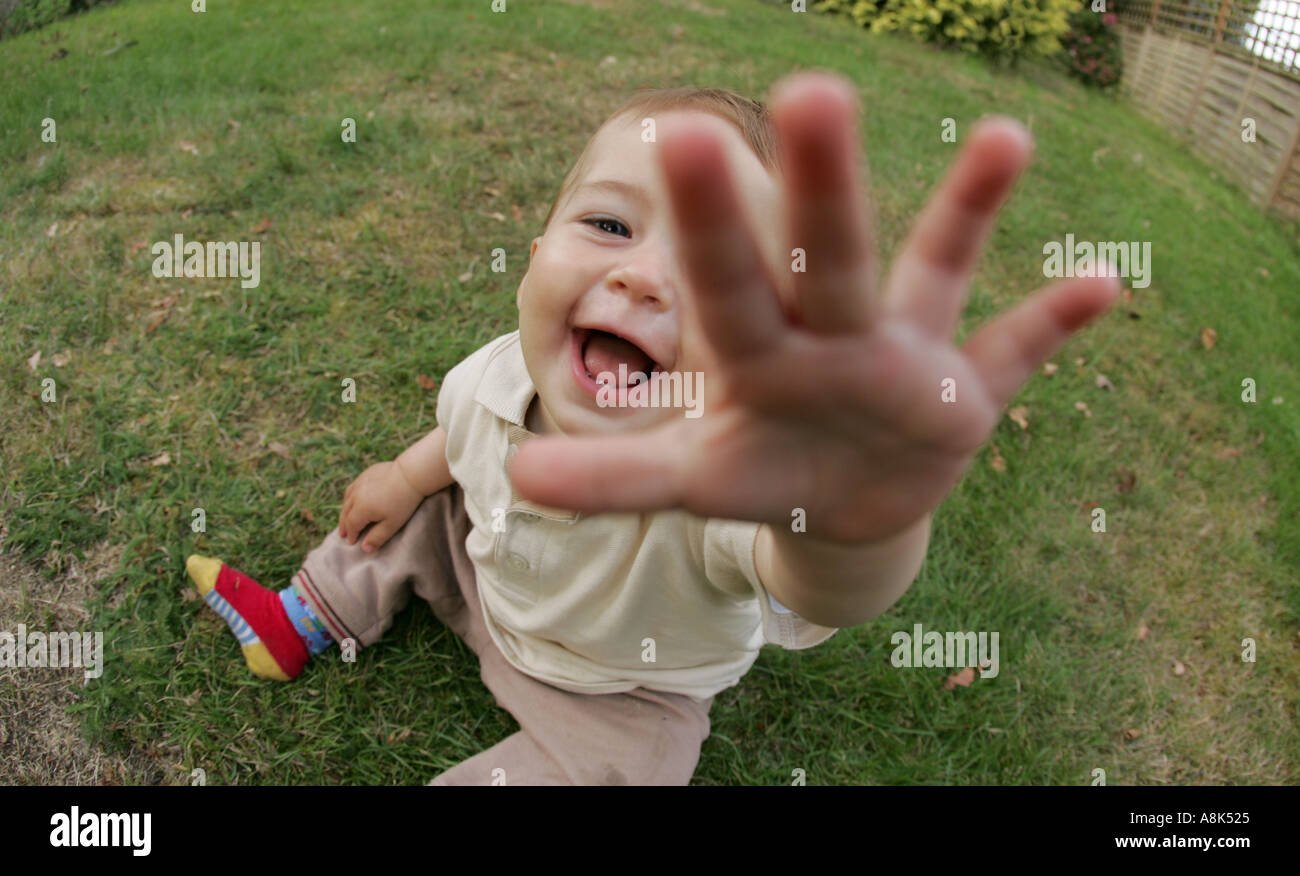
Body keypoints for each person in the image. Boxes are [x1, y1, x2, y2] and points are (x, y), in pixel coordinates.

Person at [184, 71, 1119, 785]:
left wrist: (856, 520)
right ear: (539, 244)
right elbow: (459, 438)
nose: (643, 279)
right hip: (487, 581)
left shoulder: (726, 481)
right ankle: (301, 616)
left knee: (631, 767)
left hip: (621, 690)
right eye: (607, 224)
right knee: (419, 513)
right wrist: (402, 470)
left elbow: (822, 583)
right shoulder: (500, 369)